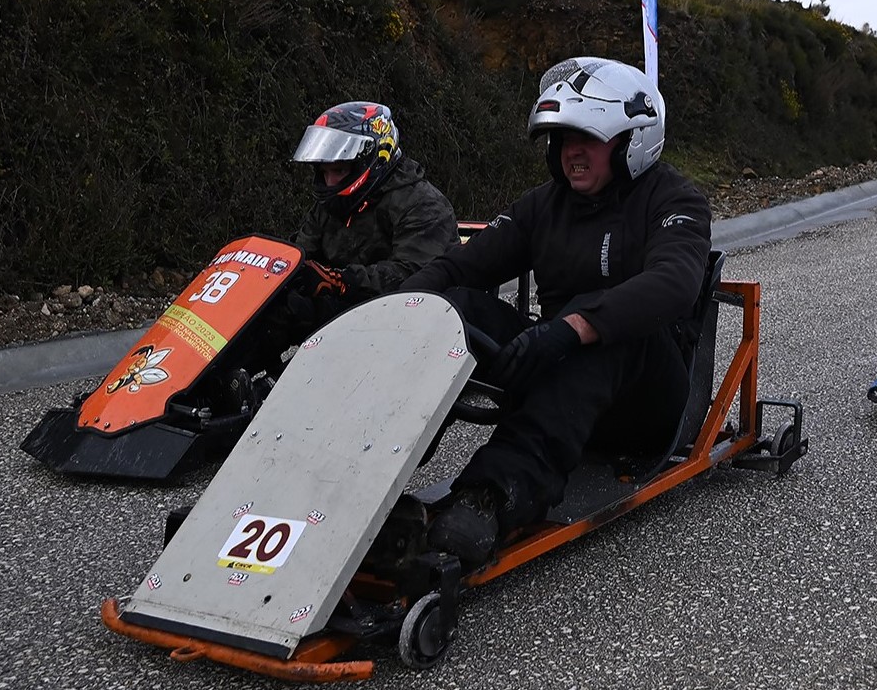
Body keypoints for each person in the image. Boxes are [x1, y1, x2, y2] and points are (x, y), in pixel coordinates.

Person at [398, 57, 712, 565]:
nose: (572, 154)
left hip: (646, 401)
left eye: (587, 139)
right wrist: (396, 313)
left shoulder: (675, 200)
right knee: (450, 306)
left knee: (606, 322)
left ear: (631, 142)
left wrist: (573, 329)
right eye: (563, 140)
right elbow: (460, 267)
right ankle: (359, 478)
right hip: (559, 374)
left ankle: (491, 497)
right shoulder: (543, 205)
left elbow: (674, 282)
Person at [239, 101, 460, 384]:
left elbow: (414, 278)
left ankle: (268, 392)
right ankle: (205, 386)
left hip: (404, 318)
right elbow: (300, 254)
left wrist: (339, 280)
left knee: (293, 312)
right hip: (352, 308)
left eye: (340, 171)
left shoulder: (423, 205)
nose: (330, 181)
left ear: (374, 159)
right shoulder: (331, 206)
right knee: (269, 306)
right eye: (324, 171)